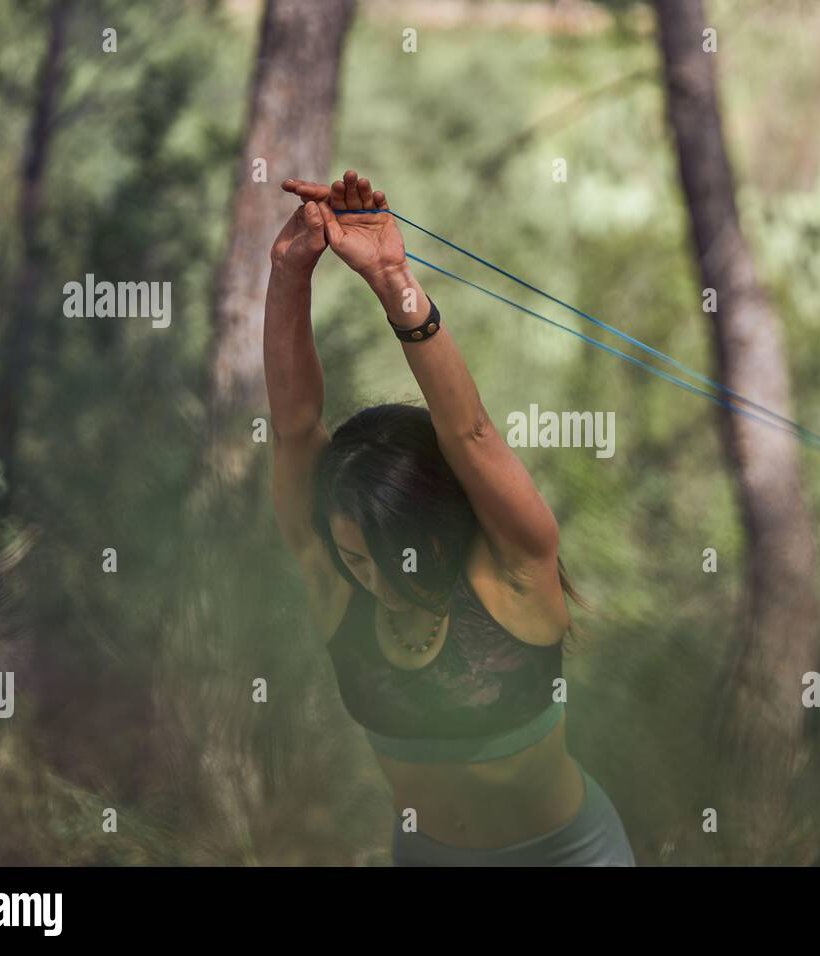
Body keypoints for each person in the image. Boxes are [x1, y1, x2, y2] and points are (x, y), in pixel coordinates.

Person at [263, 169, 636, 866]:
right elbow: (294, 429)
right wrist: (288, 275)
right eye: (354, 559)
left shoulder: (516, 572)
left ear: (436, 526)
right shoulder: (336, 587)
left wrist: (391, 278)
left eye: (386, 551)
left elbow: (470, 436)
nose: (370, 578)